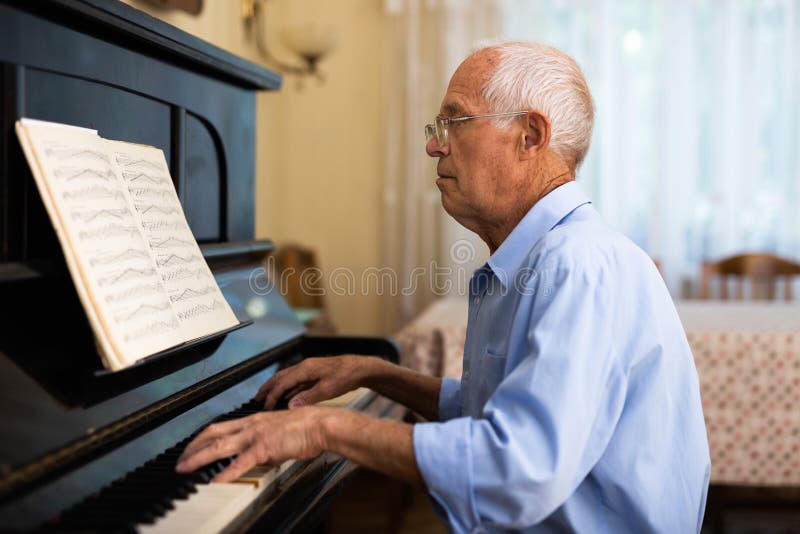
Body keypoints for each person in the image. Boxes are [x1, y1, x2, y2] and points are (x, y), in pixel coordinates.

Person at [177, 41, 710, 532]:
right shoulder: (543, 258)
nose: (435, 146)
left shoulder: (578, 265)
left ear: (530, 136)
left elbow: (518, 469)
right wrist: (375, 373)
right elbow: (496, 412)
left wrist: (324, 429)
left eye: (455, 121)